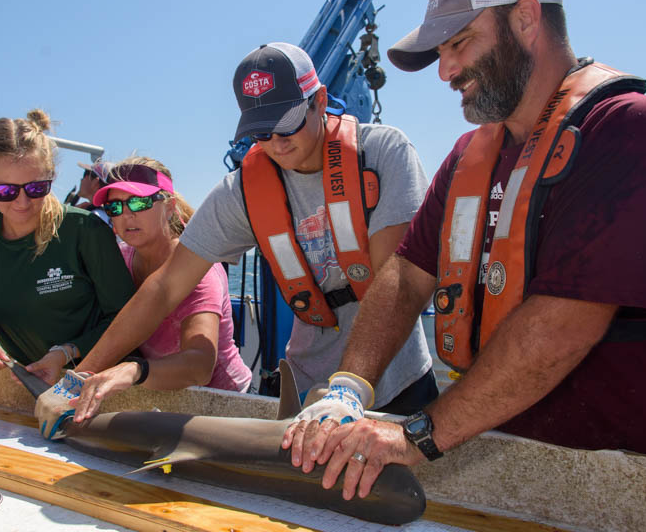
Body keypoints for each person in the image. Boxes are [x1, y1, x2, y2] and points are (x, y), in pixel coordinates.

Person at [283, 0, 646, 500]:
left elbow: (562, 325)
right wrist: (348, 388)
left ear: (526, 18)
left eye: (459, 43)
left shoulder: (633, 131)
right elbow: (406, 276)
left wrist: (417, 435)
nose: (446, 71)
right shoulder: (465, 160)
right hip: (521, 461)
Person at [38, 42, 436, 435]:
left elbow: (395, 283)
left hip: (396, 383)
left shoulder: (383, 153)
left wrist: (348, 388)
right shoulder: (242, 192)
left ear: (319, 101)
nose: (277, 142)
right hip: (306, 388)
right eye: (262, 131)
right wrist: (82, 375)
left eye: (288, 123)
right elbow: (164, 287)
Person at [0, 109, 136, 385]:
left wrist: (66, 353)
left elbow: (128, 321)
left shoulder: (83, 231)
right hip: (31, 391)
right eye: (5, 191)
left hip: (100, 385)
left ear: (52, 177)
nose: (21, 202)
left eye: (36, 188)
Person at [66, 157, 253, 416]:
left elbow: (200, 365)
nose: (127, 214)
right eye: (115, 207)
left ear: (169, 206)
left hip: (223, 403)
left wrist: (134, 369)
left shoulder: (200, 273)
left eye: (139, 202)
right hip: (161, 397)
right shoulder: (120, 259)